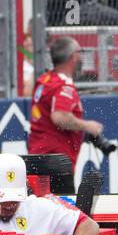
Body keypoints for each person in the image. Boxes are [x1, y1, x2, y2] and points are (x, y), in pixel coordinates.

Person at [29, 36, 103, 167]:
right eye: (80, 52)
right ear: (73, 56)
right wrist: (87, 126)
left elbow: (47, 120)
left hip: (38, 157)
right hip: (56, 162)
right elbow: (59, 117)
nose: (82, 57)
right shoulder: (64, 85)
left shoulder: (44, 80)